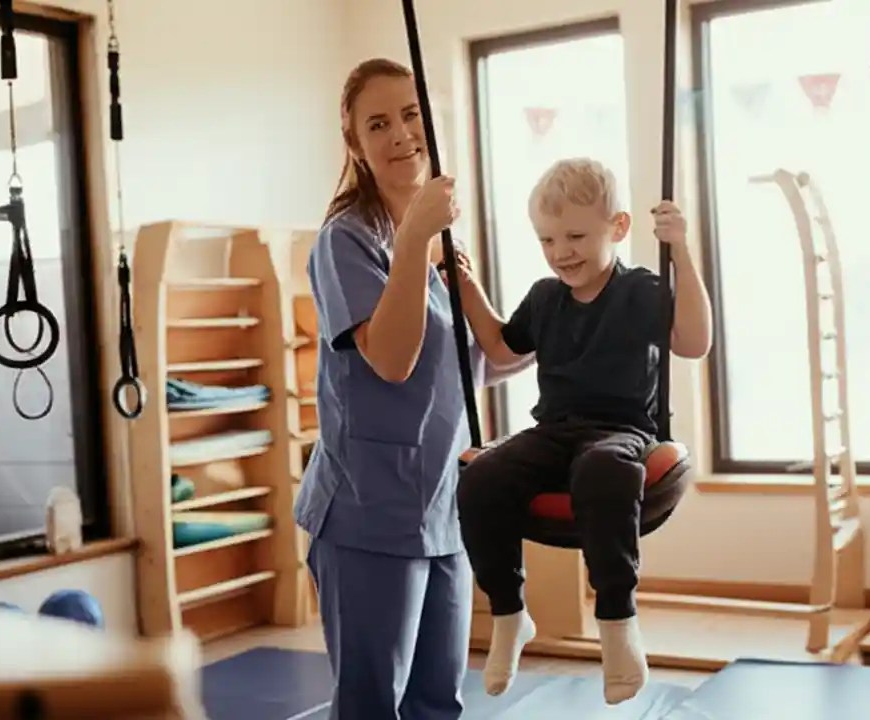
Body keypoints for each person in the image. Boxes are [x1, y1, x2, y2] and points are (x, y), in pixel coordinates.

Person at [294, 58, 530, 719]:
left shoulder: (443, 244)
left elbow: (497, 357)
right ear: (356, 146)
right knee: (374, 705)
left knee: (437, 702)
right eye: (378, 124)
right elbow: (393, 360)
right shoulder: (345, 241)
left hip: (443, 510)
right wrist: (416, 238)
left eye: (411, 115)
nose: (399, 134)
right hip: (367, 512)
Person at [453, 157, 713, 704]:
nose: (560, 252)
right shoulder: (546, 298)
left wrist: (681, 249)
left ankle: (617, 626)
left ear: (617, 228)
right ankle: (509, 613)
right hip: (555, 431)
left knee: (603, 468)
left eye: (575, 235)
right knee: (482, 474)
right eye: (547, 239)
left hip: (621, 431)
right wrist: (466, 283)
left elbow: (693, 341)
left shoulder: (639, 290)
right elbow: (502, 346)